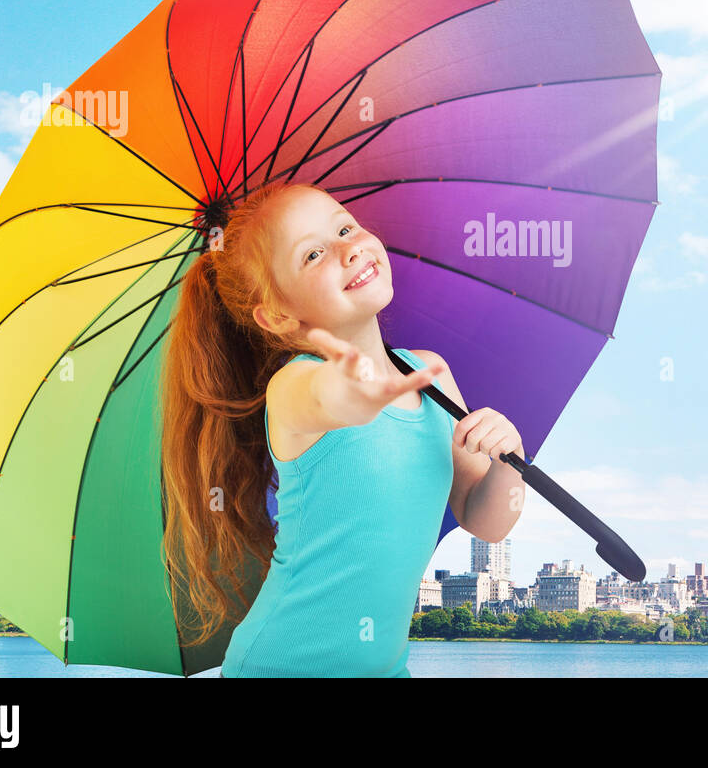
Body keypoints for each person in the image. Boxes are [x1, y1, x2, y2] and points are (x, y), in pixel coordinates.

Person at [159, 179, 525, 676]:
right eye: (313, 255)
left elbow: (484, 519)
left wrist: (508, 464)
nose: (349, 249)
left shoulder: (431, 374)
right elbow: (328, 398)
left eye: (345, 227)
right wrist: (355, 388)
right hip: (281, 667)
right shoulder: (292, 389)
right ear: (278, 316)